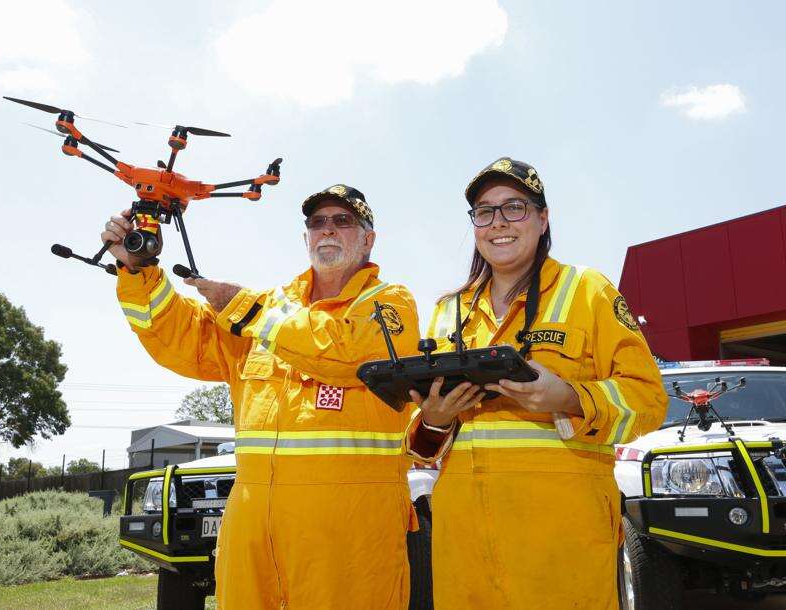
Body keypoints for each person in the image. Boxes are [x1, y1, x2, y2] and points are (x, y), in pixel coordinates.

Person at [102, 184, 420, 610]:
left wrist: (248, 310)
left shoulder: (389, 304)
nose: (327, 230)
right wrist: (140, 269)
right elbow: (187, 341)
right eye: (317, 222)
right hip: (251, 529)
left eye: (343, 221)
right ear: (305, 237)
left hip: (350, 532)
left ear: (368, 239)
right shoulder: (270, 308)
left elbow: (346, 355)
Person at [404, 158, 668, 609]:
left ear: (543, 218)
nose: (498, 223)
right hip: (465, 543)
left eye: (515, 207)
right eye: (484, 212)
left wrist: (567, 397)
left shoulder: (588, 291)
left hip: (560, 540)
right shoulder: (449, 309)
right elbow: (423, 444)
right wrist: (434, 418)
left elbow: (648, 398)